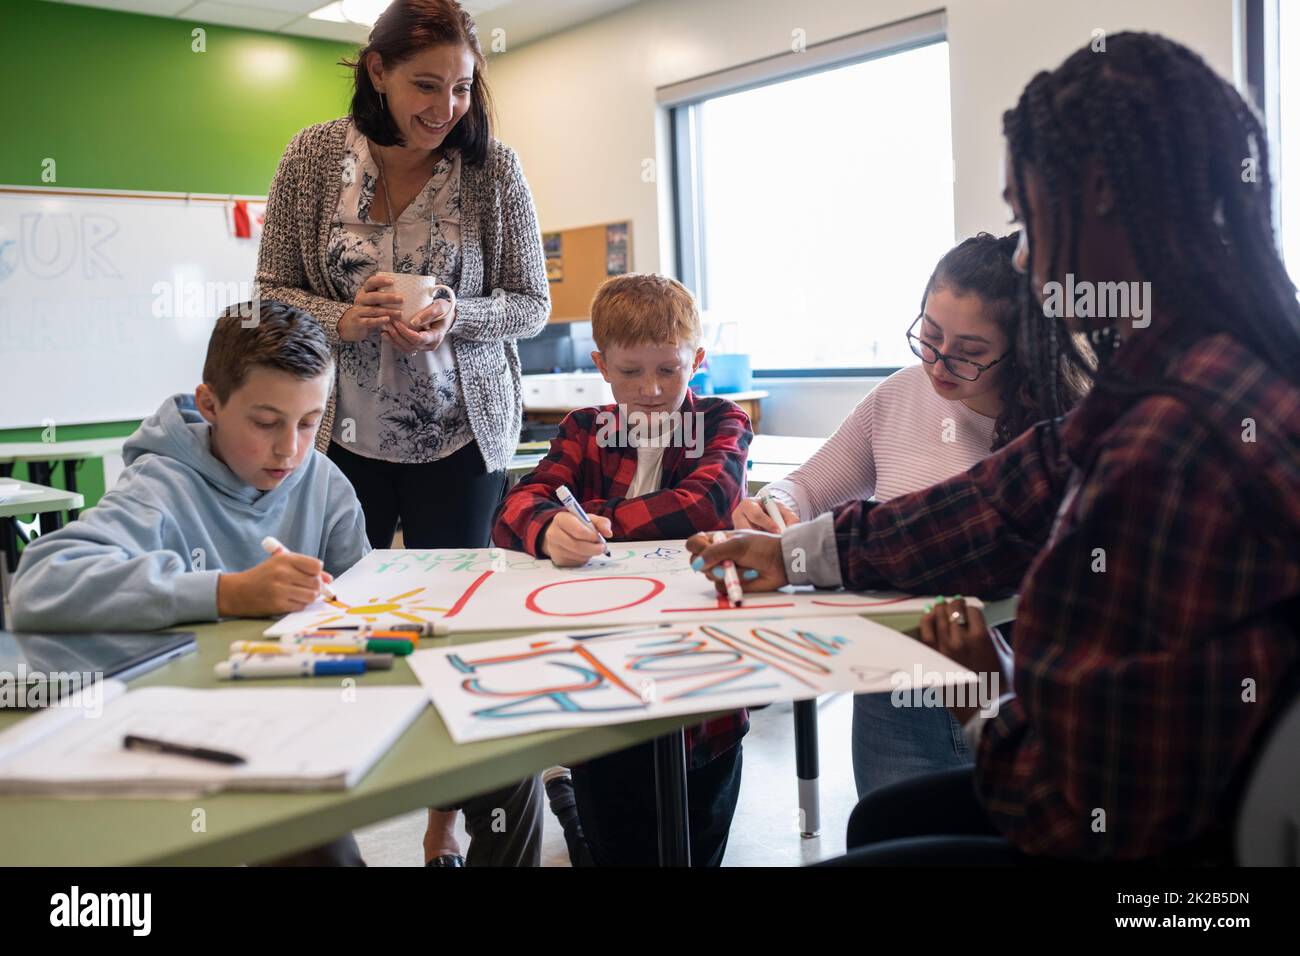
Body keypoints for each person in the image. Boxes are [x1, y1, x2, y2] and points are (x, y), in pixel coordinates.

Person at [688, 32, 1300, 862]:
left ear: (1103, 200)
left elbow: (1075, 821)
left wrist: (980, 695)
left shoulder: (1174, 441)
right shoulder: (1207, 359)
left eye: (1026, 216)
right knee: (882, 821)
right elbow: (1000, 501)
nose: (1022, 252)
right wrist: (795, 554)